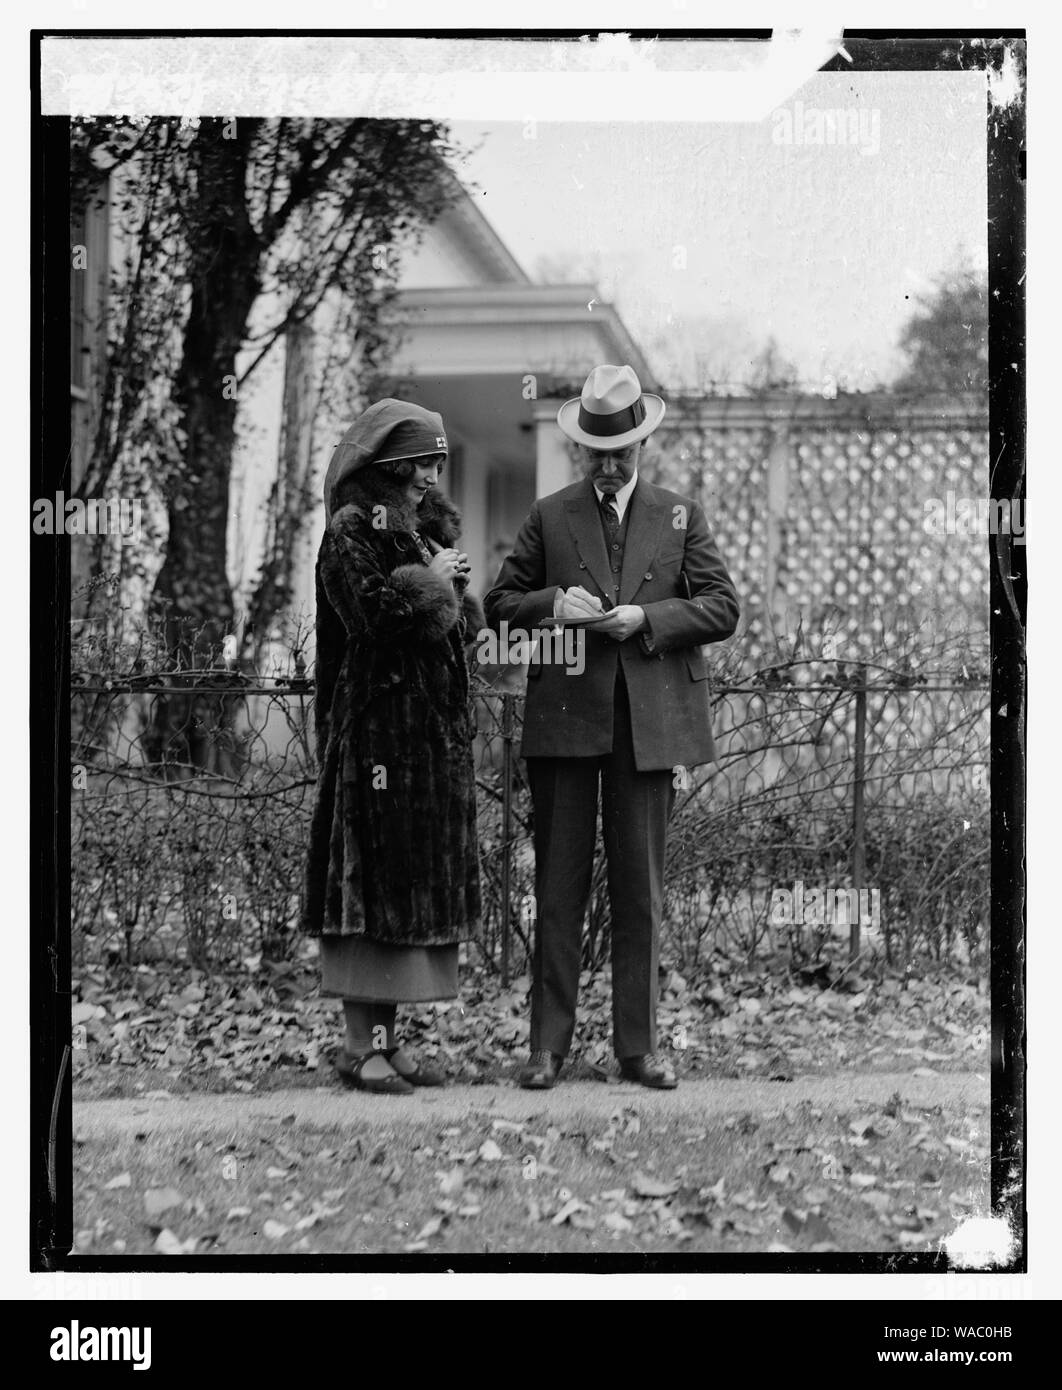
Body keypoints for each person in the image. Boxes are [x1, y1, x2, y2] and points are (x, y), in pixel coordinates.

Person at [484, 364, 740, 1090]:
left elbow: (722, 608)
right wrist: (548, 606)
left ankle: (639, 1049)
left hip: (650, 725)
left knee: (640, 891)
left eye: (620, 452)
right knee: (558, 888)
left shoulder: (680, 515)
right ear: (582, 450)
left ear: (641, 445)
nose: (607, 465)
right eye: (596, 452)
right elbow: (497, 604)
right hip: (566, 720)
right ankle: (547, 1049)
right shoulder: (549, 513)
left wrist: (648, 619)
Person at [301, 399, 482, 1094]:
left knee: (403, 895)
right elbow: (373, 619)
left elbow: (449, 632)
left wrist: (455, 595)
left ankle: (384, 1042)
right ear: (386, 467)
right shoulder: (351, 530)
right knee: (369, 890)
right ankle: (357, 1047)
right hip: (376, 737)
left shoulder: (413, 535)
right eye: (418, 466)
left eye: (436, 465)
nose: (429, 480)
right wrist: (433, 588)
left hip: (425, 745)